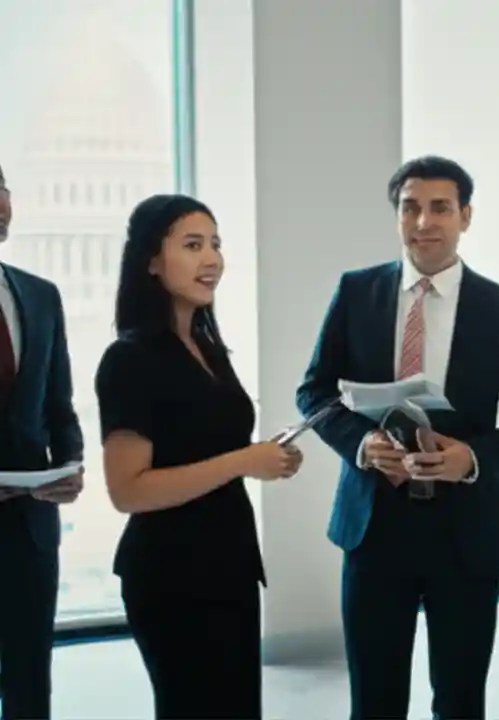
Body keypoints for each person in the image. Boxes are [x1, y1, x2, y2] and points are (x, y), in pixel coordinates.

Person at [297, 155, 499, 720]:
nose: (423, 222)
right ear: (397, 216)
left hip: (466, 534)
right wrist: (362, 445)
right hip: (374, 527)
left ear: (466, 217)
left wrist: (474, 459)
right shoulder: (356, 291)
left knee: (459, 703)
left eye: (440, 208)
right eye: (410, 208)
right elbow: (314, 392)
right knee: (374, 703)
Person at [95, 194, 303, 719]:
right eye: (192, 245)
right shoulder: (130, 359)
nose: (212, 259)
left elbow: (211, 448)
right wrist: (243, 462)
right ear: (150, 260)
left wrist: (266, 457)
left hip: (229, 566)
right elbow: (129, 490)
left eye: (215, 244)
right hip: (171, 578)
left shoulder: (208, 348)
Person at [0, 163, 85, 720]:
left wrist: (71, 462)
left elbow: (60, 406)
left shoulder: (39, 296)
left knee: (30, 679)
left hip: (29, 528)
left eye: (0, 190)